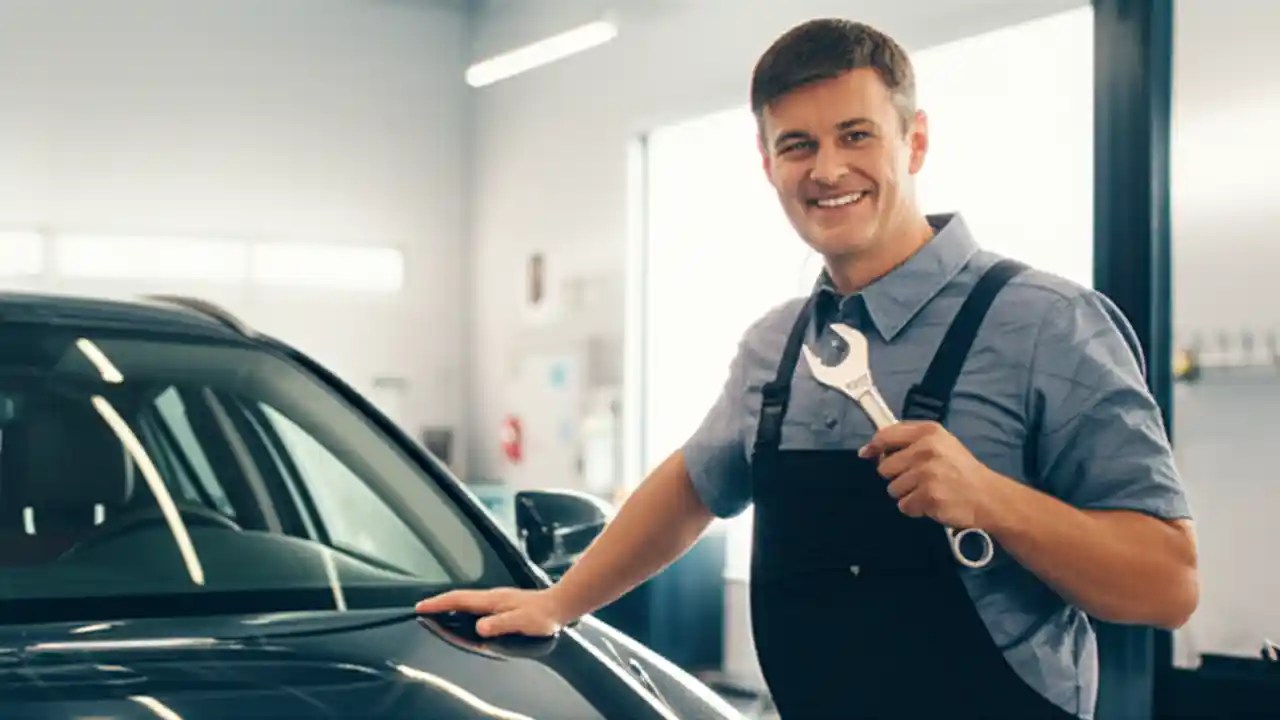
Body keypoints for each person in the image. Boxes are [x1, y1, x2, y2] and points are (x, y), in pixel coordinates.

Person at [417, 18, 1199, 719]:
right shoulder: (776, 343)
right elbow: (694, 485)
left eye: (857, 135)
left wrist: (992, 499)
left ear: (914, 142)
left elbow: (1168, 585)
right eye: (798, 144)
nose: (828, 169)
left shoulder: (1048, 323)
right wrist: (560, 603)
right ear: (768, 162)